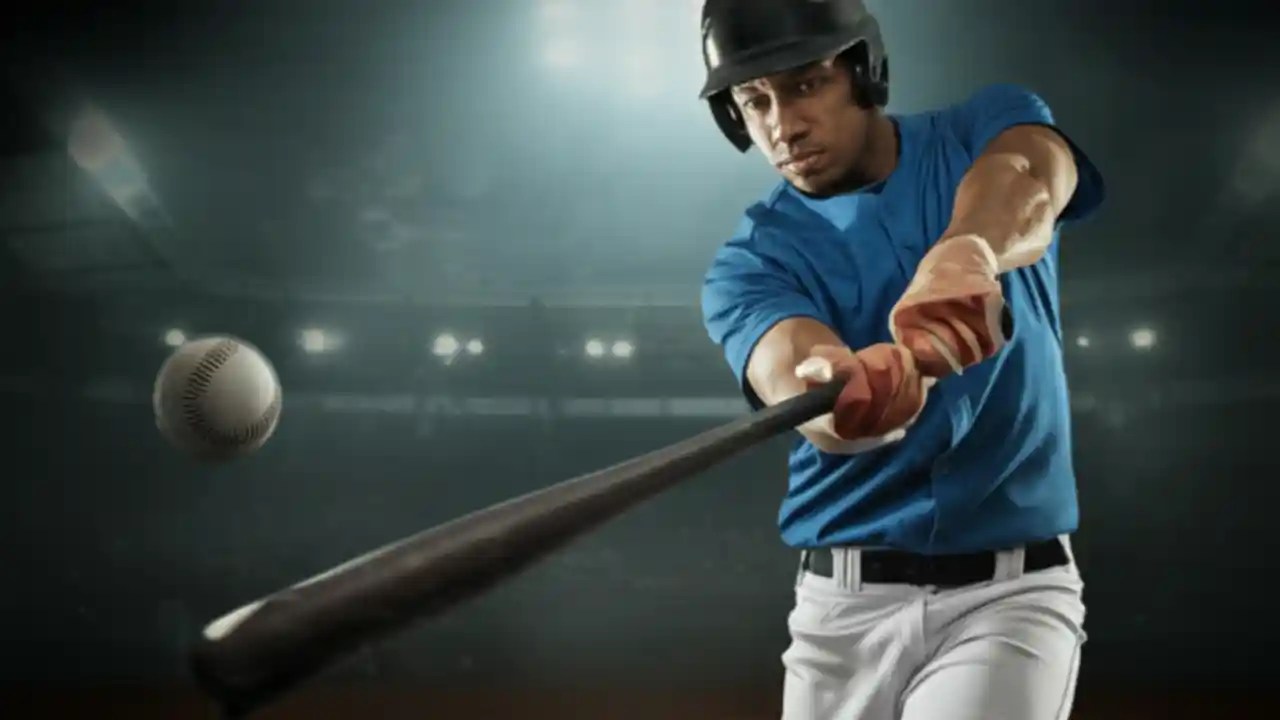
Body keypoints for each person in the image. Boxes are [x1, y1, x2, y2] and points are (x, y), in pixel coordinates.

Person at [696, 1, 1106, 719]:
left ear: (862, 70)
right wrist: (847, 393)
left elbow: (1030, 180)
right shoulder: (747, 262)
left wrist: (969, 250)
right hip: (838, 615)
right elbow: (791, 368)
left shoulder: (985, 124)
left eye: (804, 85)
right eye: (752, 101)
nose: (782, 126)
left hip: (1007, 597)